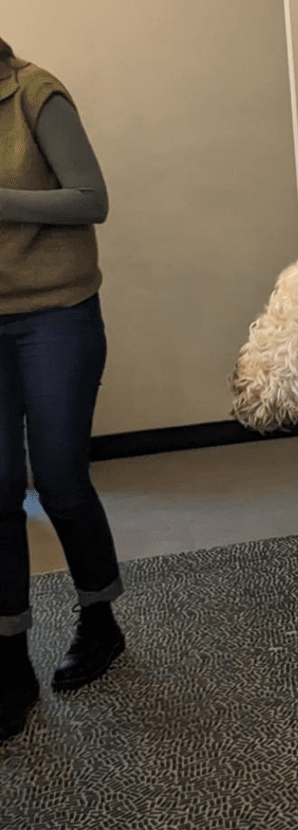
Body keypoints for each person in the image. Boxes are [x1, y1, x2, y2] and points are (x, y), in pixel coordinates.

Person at [0, 38, 125, 742]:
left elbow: (91, 199)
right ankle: (9, 656)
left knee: (58, 479)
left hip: (56, 314)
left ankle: (99, 619)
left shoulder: (34, 94)